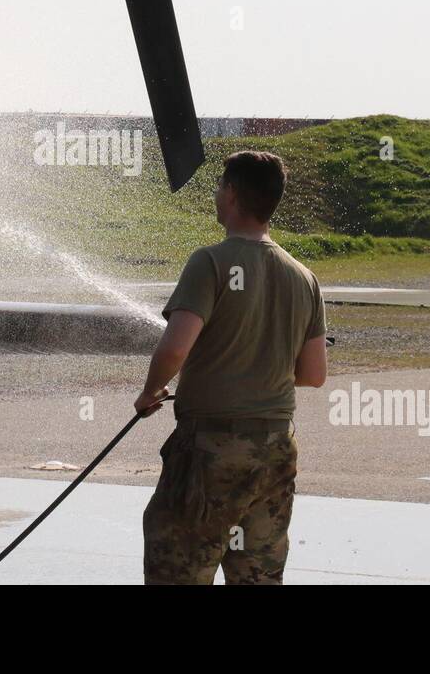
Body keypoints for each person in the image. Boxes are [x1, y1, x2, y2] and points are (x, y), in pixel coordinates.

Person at [135, 150, 327, 585]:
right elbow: (314, 374)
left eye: (221, 186)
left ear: (234, 195)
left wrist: (150, 392)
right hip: (275, 448)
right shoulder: (303, 276)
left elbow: (175, 346)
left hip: (212, 451)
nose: (217, 195)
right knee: (257, 574)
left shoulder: (211, 262)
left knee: (177, 568)